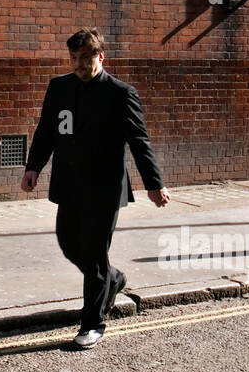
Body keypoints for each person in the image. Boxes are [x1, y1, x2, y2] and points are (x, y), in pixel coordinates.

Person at [21, 28, 170, 349]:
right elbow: (46, 130)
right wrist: (33, 166)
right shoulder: (59, 87)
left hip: (104, 188)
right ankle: (112, 279)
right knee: (68, 244)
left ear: (100, 57)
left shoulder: (120, 93)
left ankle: (92, 323)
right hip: (69, 184)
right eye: (73, 58)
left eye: (85, 58)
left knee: (93, 252)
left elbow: (139, 141)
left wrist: (154, 184)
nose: (78, 64)